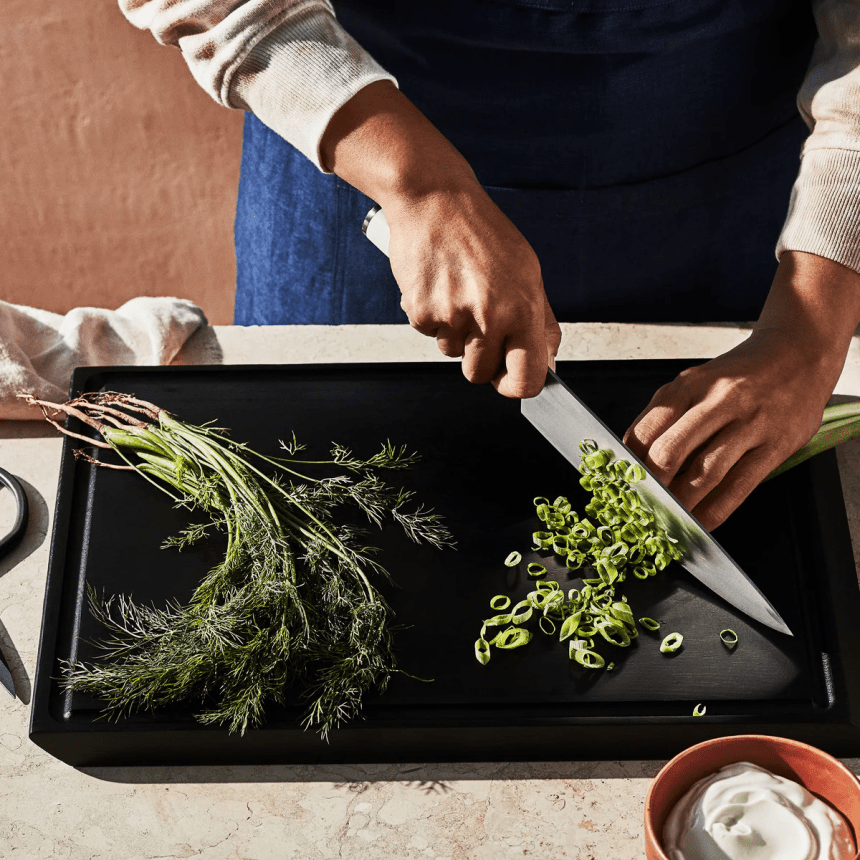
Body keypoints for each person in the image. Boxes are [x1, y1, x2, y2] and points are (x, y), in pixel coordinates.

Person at [119, 0, 860, 530]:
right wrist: (418, 182)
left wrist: (808, 338)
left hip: (726, 194)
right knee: (309, 493)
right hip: (355, 169)